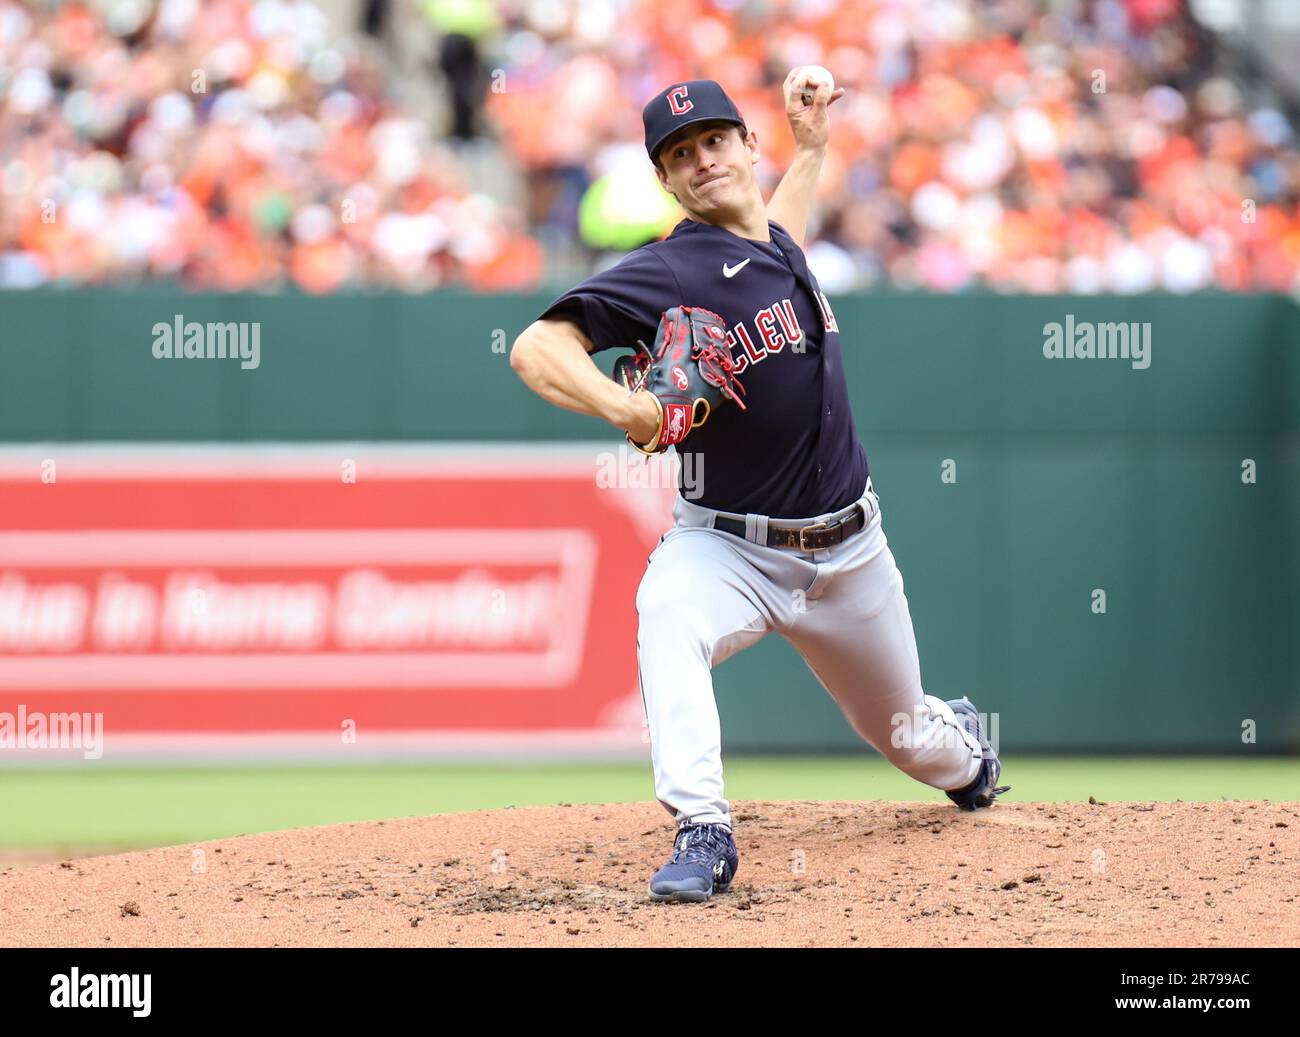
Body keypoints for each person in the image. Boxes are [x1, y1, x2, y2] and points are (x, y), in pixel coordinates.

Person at [509, 75, 1008, 904]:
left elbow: (779, 245)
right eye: (680, 154)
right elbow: (535, 347)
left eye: (713, 140)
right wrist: (629, 406)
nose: (701, 160)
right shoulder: (671, 268)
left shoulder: (776, 245)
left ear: (747, 145)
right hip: (728, 546)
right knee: (666, 612)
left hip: (852, 553)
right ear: (666, 181)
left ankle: (967, 747)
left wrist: (812, 148)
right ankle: (702, 826)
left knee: (911, 739)